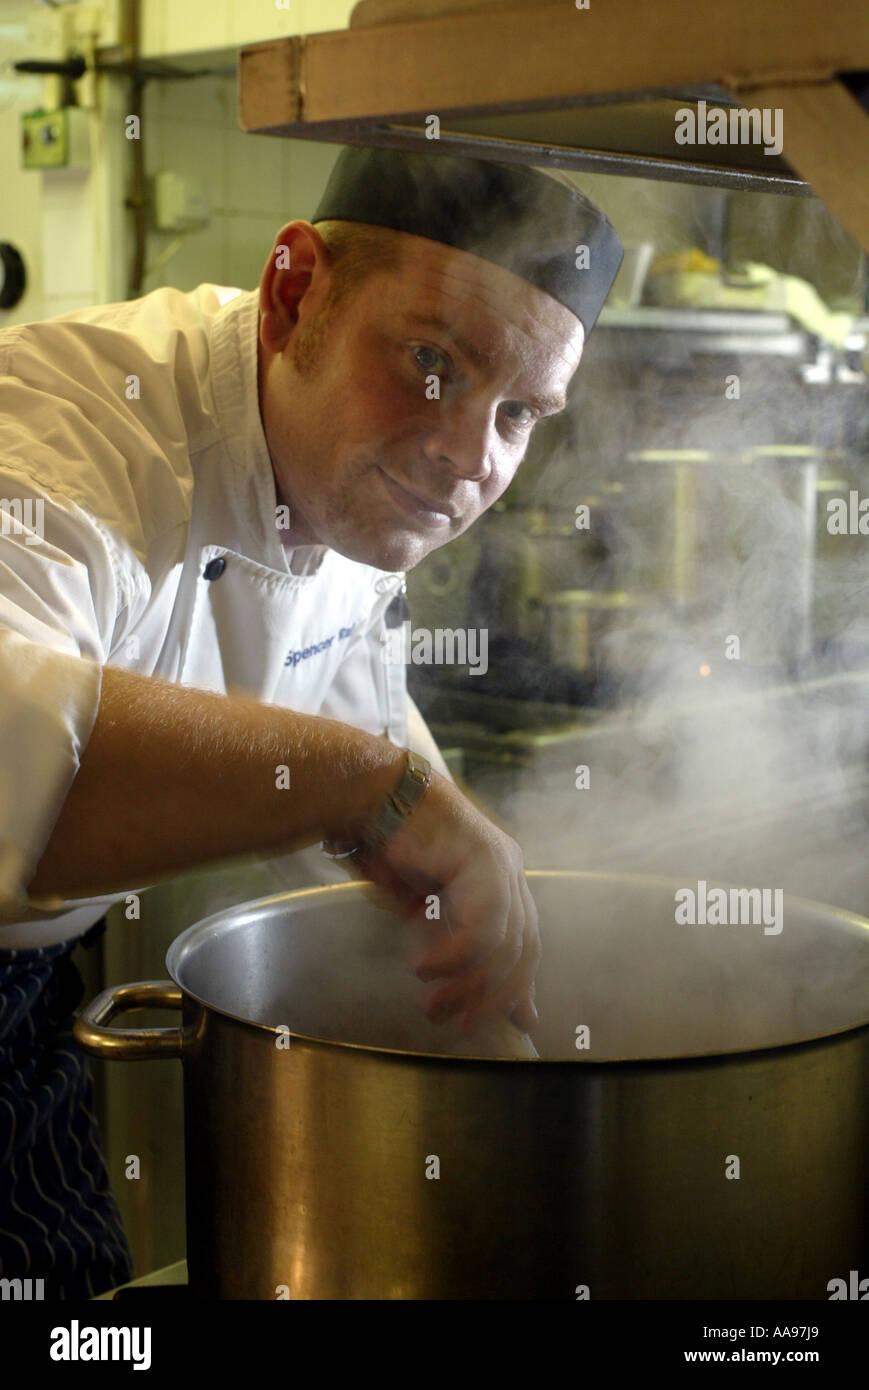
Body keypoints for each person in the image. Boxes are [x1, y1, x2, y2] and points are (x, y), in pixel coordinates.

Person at [0, 146, 622, 1297]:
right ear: (295, 293)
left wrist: (477, 955)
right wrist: (371, 791)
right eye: (431, 361)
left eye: (521, 414)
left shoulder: (343, 480)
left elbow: (357, 743)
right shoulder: (63, 430)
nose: (466, 458)